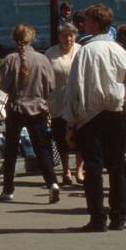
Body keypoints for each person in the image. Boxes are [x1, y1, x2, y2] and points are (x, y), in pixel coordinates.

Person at [63, 4, 126, 231]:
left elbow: (74, 88)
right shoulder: (119, 51)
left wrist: (71, 123)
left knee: (93, 168)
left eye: (87, 21)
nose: (84, 25)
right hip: (115, 114)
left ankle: (97, 217)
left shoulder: (85, 51)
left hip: (90, 116)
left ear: (94, 23)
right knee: (117, 167)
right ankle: (119, 215)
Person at [0, 25, 59, 204]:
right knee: (42, 149)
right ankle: (52, 183)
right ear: (32, 39)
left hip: (16, 108)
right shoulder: (42, 59)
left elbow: (4, 86)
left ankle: (8, 189)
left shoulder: (10, 59)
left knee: (10, 151)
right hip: (38, 108)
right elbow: (51, 86)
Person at [46, 23, 81, 186]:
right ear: (59, 37)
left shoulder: (82, 51)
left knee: (81, 135)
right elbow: (45, 77)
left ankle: (79, 169)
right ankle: (66, 170)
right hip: (58, 100)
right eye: (64, 35)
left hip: (79, 100)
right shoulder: (51, 53)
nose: (68, 39)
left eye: (71, 35)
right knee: (60, 136)